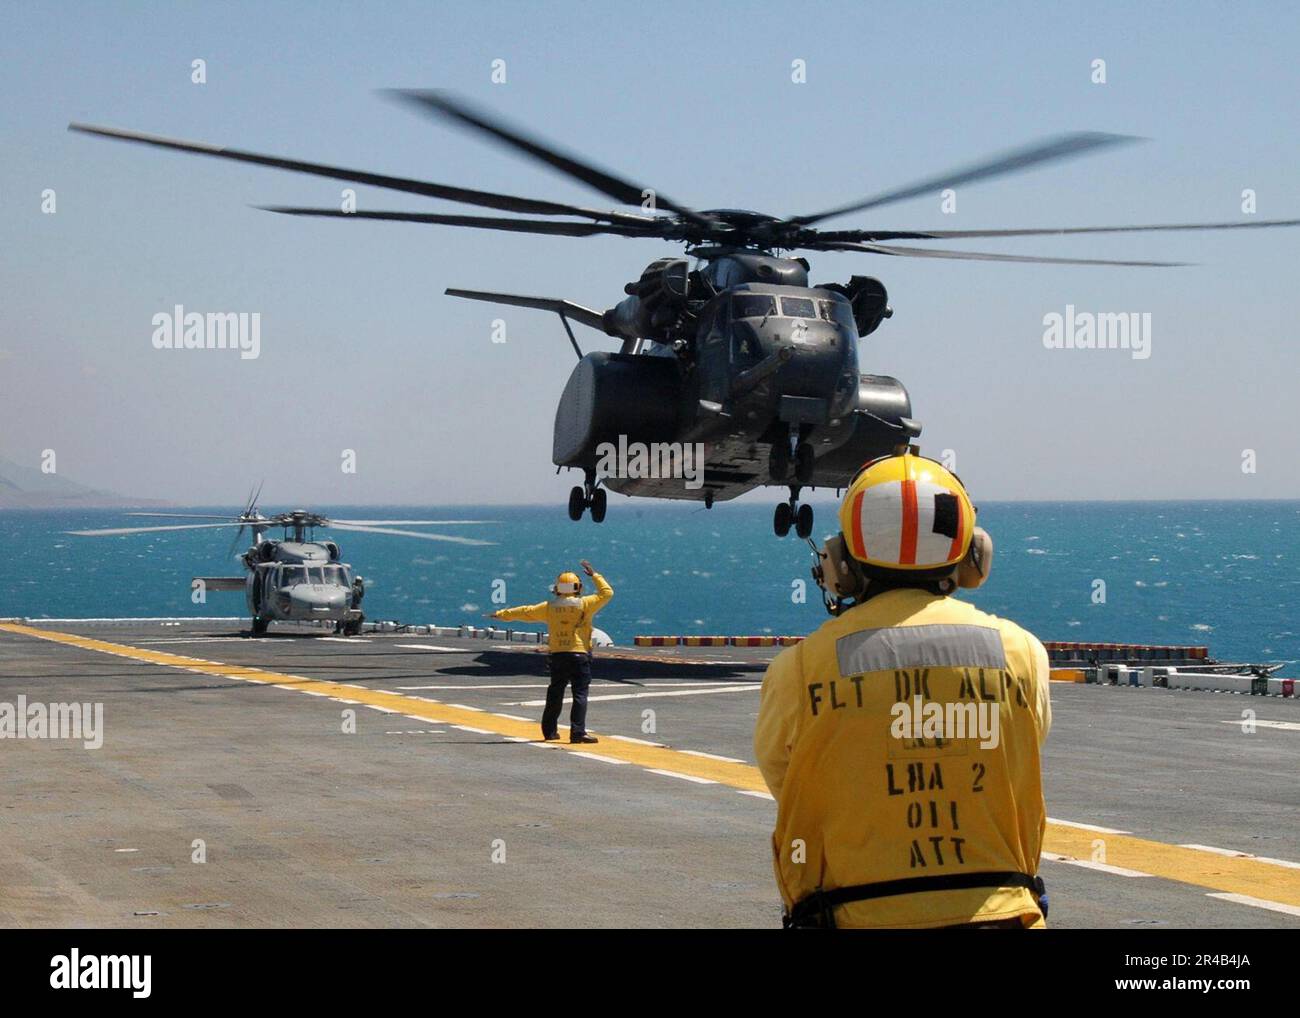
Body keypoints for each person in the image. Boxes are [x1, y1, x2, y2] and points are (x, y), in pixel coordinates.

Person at [753, 450, 1052, 929]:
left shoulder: (800, 668)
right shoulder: (1023, 654)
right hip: (1003, 917)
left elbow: (786, 780)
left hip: (852, 917)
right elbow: (1021, 754)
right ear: (974, 556)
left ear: (841, 562)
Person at [491, 559, 613, 744]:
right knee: (580, 694)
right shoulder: (585, 604)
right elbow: (607, 593)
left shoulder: (549, 607)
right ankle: (577, 733)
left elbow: (525, 611)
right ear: (578, 587)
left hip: (558, 655)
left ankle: (549, 732)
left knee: (555, 692)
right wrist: (595, 575)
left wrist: (501, 614)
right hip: (579, 654)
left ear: (557, 588)